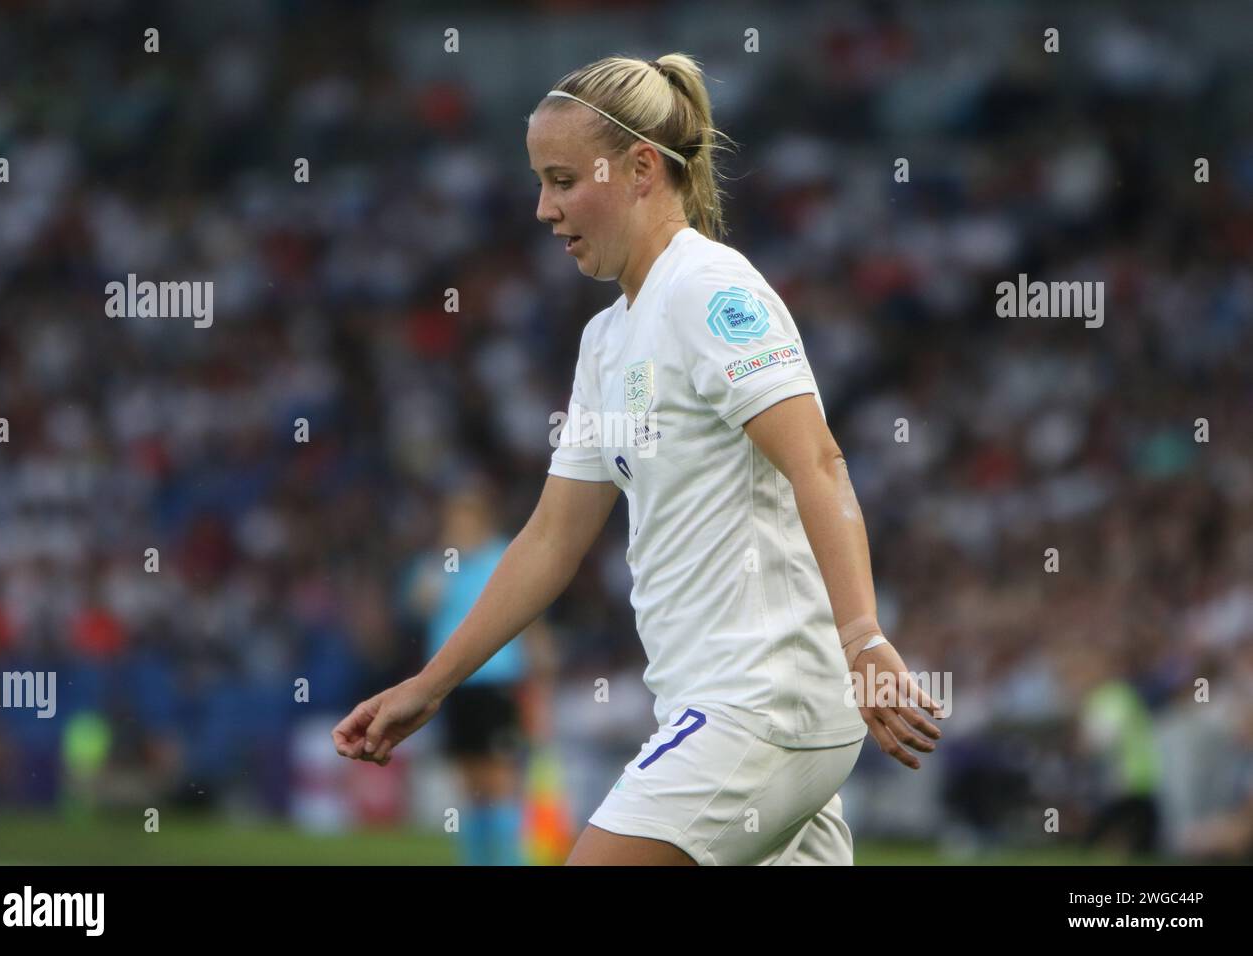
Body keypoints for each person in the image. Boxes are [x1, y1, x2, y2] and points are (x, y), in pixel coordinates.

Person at [334, 52, 944, 865]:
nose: (545, 209)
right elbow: (551, 540)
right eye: (539, 183)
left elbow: (819, 463)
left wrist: (864, 639)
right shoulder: (606, 338)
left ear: (642, 169)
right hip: (721, 706)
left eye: (561, 180)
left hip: (760, 703)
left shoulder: (710, 291)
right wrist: (430, 684)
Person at [401, 477, 550, 865]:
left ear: (482, 519)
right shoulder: (440, 563)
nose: (458, 526)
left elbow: (530, 620)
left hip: (496, 680)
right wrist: (442, 558)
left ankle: (511, 861)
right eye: (452, 519)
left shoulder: (503, 556)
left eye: (465, 518)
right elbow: (419, 606)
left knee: (499, 779)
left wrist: (541, 685)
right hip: (451, 685)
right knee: (468, 783)